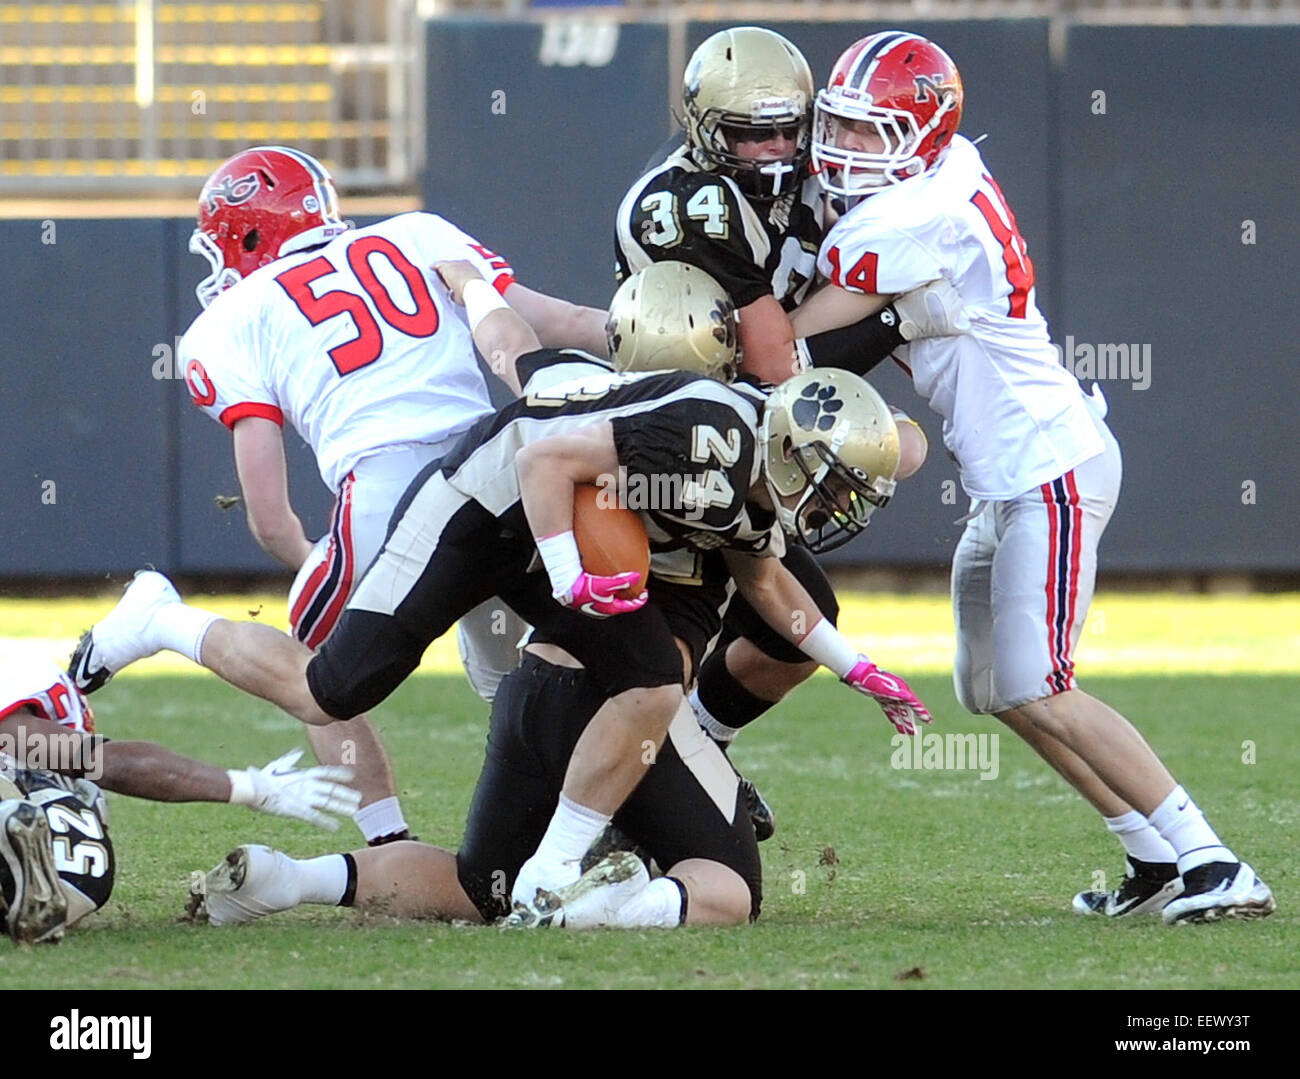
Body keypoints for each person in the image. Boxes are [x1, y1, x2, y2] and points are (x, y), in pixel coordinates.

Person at [72, 261, 932, 917]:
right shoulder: (706, 432)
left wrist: (859, 669)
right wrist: (569, 576)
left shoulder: (740, 472)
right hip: (478, 515)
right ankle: (164, 619)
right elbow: (539, 456)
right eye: (838, 487)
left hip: (549, 543)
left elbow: (765, 575)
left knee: (646, 676)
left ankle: (546, 872)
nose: (837, 510)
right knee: (332, 687)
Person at [790, 30, 1273, 924]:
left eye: (869, 134)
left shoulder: (907, 217)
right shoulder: (941, 177)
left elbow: (793, 344)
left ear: (920, 137)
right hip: (1010, 474)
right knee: (994, 687)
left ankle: (1212, 858)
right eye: (841, 128)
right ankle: (1150, 857)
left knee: (1040, 681)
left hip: (1046, 464)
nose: (843, 150)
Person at [71, 146, 606, 847]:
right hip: (497, 463)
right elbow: (563, 321)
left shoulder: (229, 321)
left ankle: (164, 623)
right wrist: (674, 340)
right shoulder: (416, 232)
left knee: (317, 673)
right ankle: (598, 808)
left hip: (387, 493)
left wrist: (312, 557)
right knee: (553, 650)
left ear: (249, 234)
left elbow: (268, 517)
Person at [613, 27, 967, 835]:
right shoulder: (683, 203)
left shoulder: (818, 171)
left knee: (797, 628)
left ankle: (697, 747)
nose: (777, 149)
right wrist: (898, 314)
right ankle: (616, 800)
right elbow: (775, 357)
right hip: (683, 437)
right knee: (662, 650)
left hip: (755, 430)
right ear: (708, 129)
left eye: (789, 129)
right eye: (752, 134)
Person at [0, 654, 359, 942]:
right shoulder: (19, 713)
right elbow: (105, 762)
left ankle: (26, 888)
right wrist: (251, 787)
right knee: (75, 813)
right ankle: (44, 893)